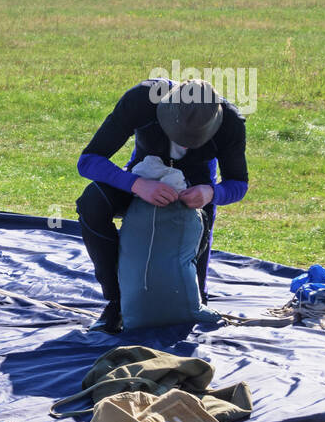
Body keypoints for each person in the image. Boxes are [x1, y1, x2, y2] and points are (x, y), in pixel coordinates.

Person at [75, 77, 248, 333]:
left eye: (195, 138)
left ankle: (195, 295)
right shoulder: (141, 100)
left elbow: (238, 184)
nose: (185, 143)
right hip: (143, 176)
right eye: (178, 135)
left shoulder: (230, 122)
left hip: (195, 189)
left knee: (192, 295)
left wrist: (211, 192)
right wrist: (136, 184)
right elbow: (88, 161)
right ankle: (117, 300)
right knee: (91, 203)